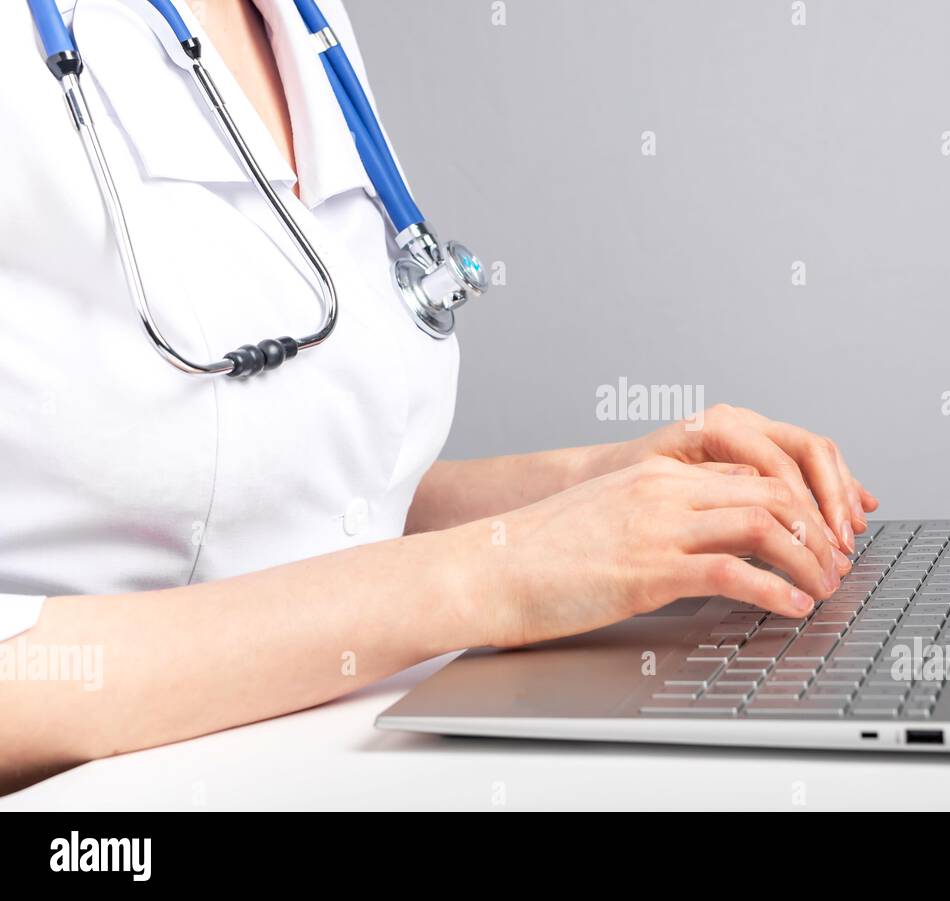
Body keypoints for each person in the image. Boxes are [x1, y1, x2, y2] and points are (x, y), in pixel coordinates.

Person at [0, 0, 876, 791]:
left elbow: (324, 510)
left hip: (351, 760)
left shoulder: (299, 21)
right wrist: (490, 575)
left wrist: (605, 487)